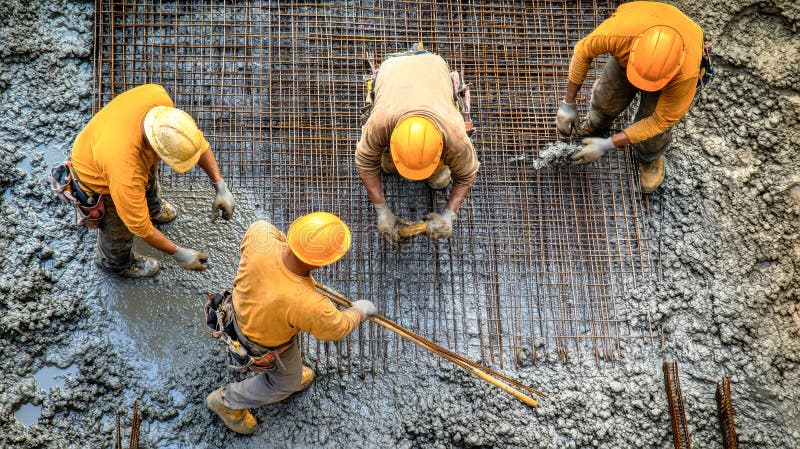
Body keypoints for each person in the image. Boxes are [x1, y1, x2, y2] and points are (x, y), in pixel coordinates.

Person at [205, 213, 377, 434]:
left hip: (233, 313)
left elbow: (282, 246)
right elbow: (338, 328)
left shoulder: (261, 233)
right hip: (260, 343)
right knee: (285, 382)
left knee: (287, 360)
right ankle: (226, 402)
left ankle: (283, 378)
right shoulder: (310, 304)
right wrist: (360, 311)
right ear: (324, 262)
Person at [68, 84, 235, 277]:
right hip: (97, 175)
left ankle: (152, 208)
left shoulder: (160, 103)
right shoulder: (126, 170)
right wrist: (178, 253)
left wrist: (220, 186)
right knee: (120, 225)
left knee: (147, 178)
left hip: (109, 144)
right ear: (154, 147)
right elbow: (140, 227)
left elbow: (197, 143)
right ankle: (114, 263)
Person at [556, 1, 707, 193]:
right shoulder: (620, 33)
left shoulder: (685, 74)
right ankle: (597, 122)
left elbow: (659, 121)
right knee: (606, 97)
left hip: (669, 79)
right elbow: (582, 52)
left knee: (652, 130)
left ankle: (649, 156)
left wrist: (608, 144)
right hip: (633, 52)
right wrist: (568, 103)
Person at [356, 45, 479, 245]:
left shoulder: (454, 134)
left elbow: (466, 176)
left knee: (439, 180)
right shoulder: (380, 122)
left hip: (433, 67)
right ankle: (391, 159)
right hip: (392, 69)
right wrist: (382, 212)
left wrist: (449, 216)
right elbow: (365, 163)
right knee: (386, 166)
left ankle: (431, 170)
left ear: (441, 147)